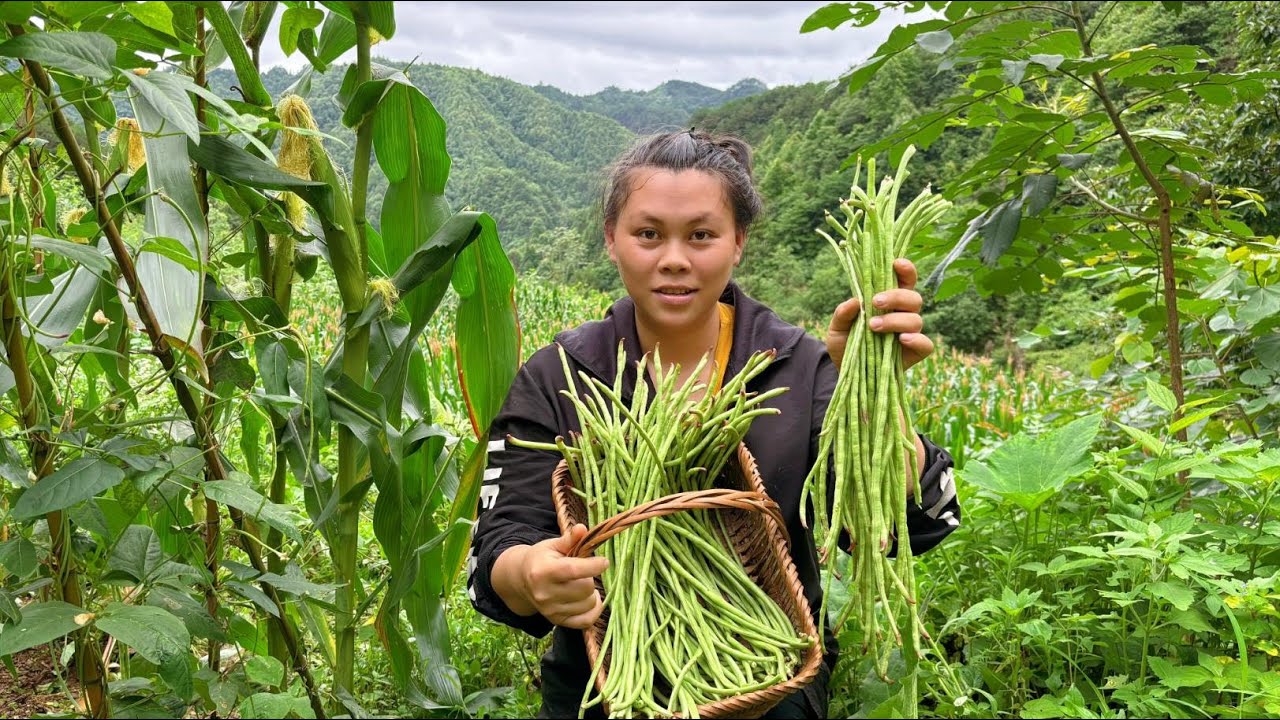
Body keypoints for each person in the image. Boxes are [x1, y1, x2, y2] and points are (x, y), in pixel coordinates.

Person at [466, 130, 961, 719]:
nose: (674, 258)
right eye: (648, 234)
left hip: (771, 682)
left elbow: (900, 524)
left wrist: (873, 395)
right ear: (611, 240)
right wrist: (531, 573)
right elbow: (498, 547)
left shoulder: (802, 367)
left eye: (701, 235)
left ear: (738, 243)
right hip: (603, 693)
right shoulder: (562, 376)